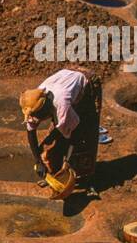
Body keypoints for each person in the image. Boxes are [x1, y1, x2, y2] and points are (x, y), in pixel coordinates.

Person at [19, 67, 102, 197]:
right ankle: (55, 176)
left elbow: (75, 135)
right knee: (52, 143)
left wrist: (68, 161)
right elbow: (31, 133)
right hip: (67, 79)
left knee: (86, 136)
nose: (35, 119)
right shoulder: (34, 102)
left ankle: (89, 181)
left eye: (38, 116)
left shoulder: (60, 105)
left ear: (46, 108)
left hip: (86, 85)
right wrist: (38, 162)